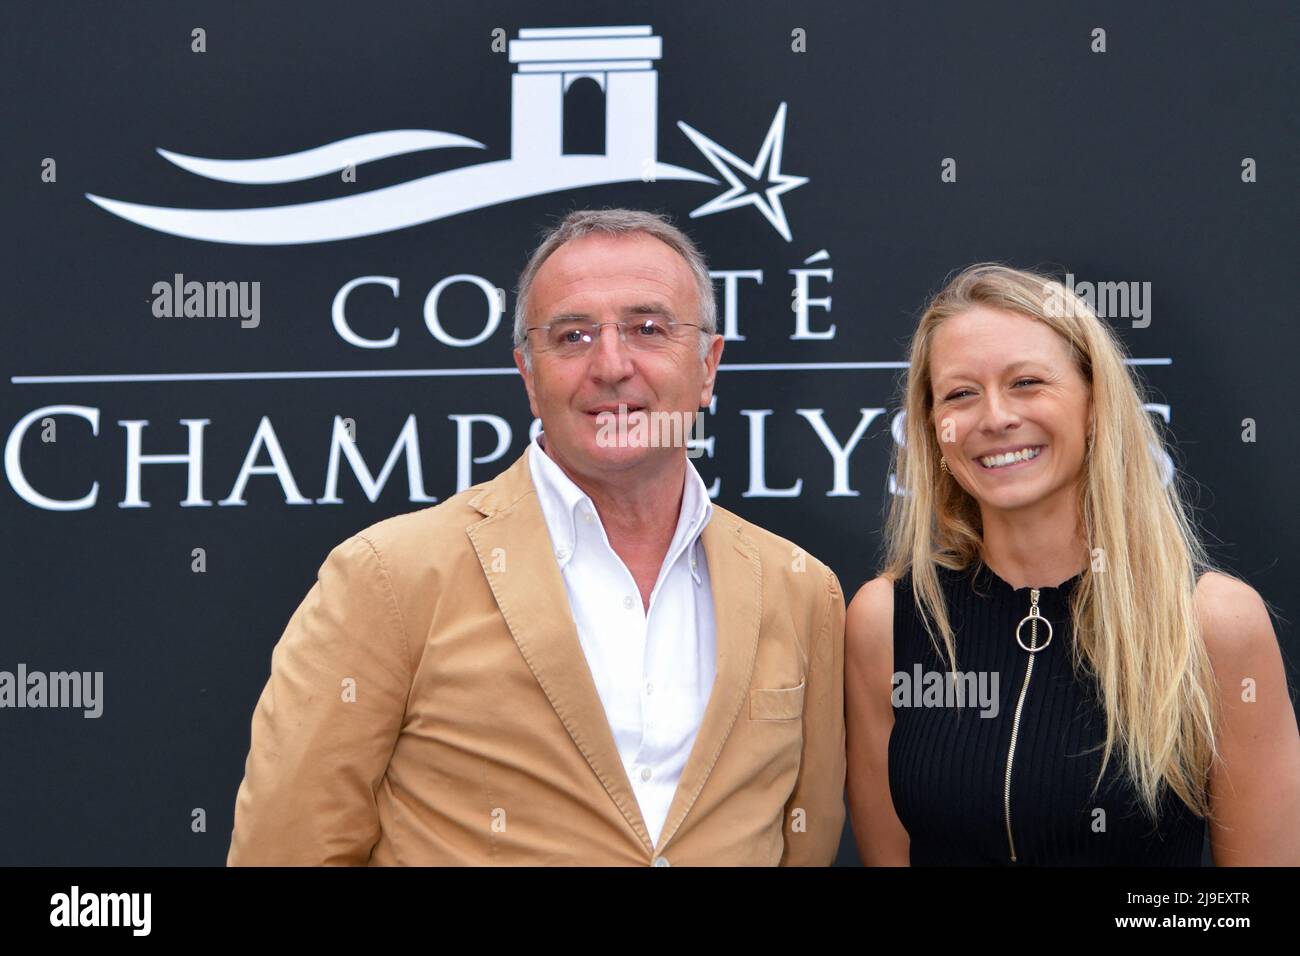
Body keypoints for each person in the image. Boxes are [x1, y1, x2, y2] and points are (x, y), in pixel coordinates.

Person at [227, 208, 846, 866]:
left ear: (707, 366)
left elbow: (806, 843)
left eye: (648, 329)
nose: (611, 364)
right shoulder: (388, 577)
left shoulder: (801, 591)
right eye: (573, 336)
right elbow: (285, 850)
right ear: (528, 375)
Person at [846, 263, 1300, 865]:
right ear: (934, 429)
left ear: (1094, 406)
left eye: (1028, 382)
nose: (996, 417)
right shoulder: (888, 620)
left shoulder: (1212, 622)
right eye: (960, 393)